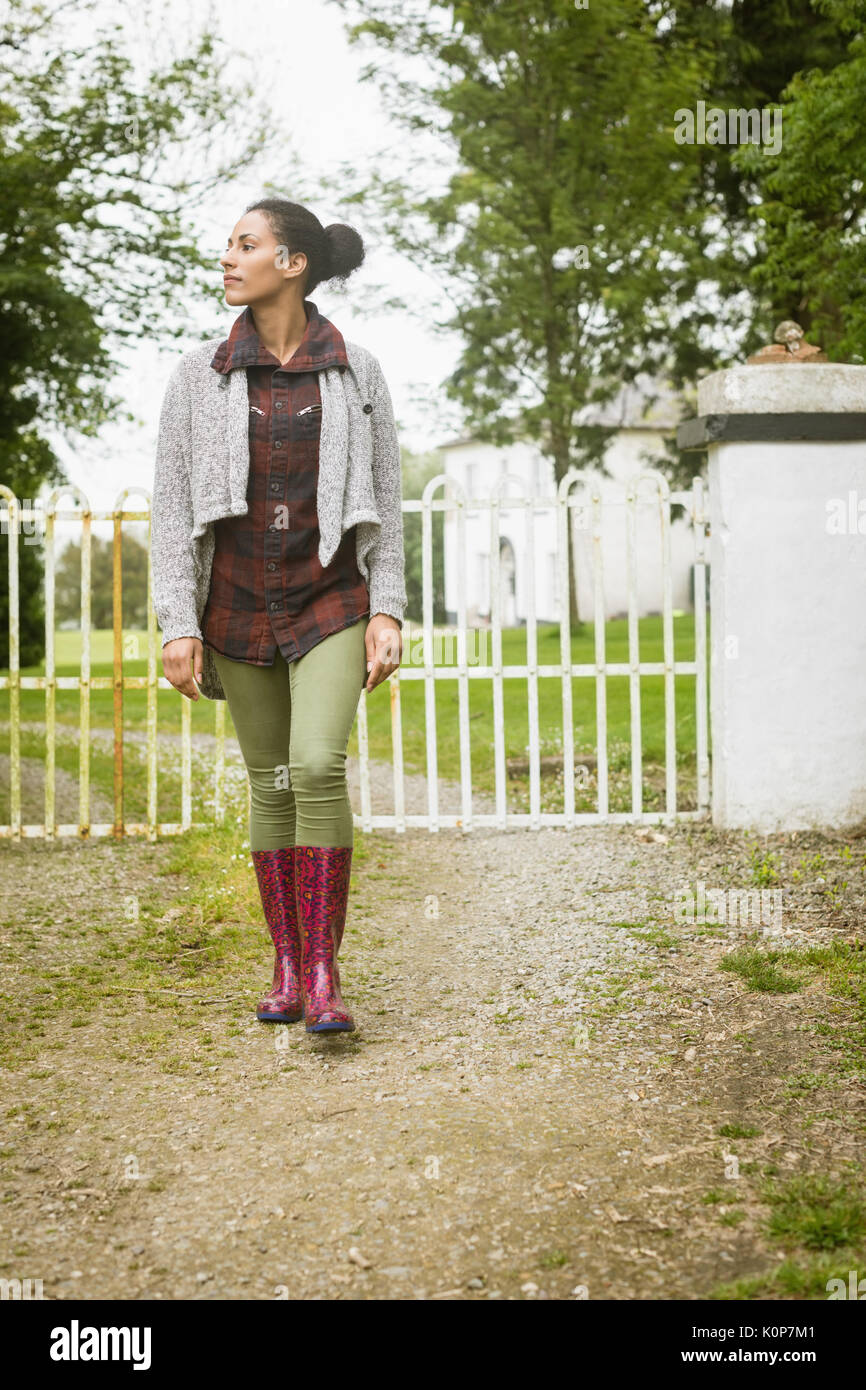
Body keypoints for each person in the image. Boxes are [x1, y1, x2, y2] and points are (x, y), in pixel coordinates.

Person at [150, 197, 407, 1034]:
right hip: (237, 599)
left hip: (331, 595)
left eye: (245, 245)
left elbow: (389, 505)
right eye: (230, 245)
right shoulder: (199, 375)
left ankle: (327, 971)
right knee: (271, 781)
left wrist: (388, 608)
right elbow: (171, 506)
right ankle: (287, 963)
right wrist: (175, 621)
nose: (228, 258)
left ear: (292, 263)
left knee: (316, 765)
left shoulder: (357, 371)